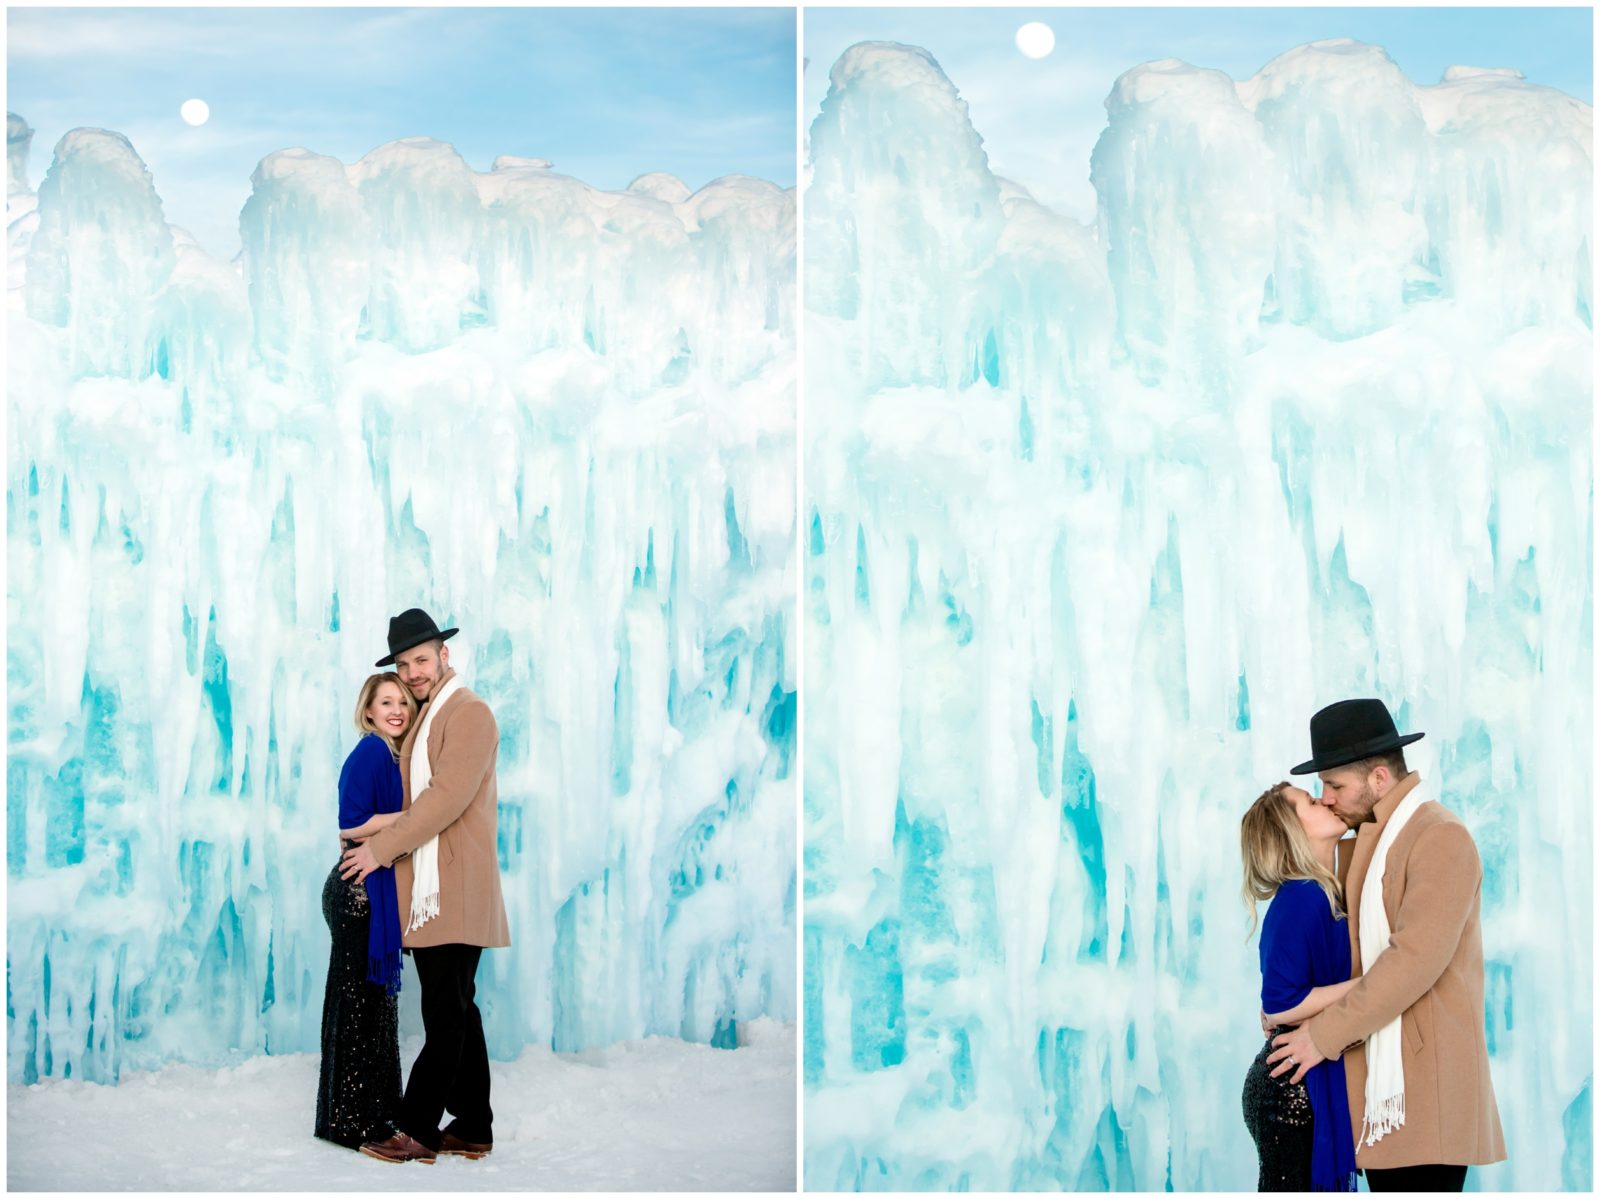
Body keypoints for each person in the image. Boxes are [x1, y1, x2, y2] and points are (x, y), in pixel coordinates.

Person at [1268, 699, 1506, 1192]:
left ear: (1378, 778)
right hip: (1384, 1098)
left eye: (1334, 785)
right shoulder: (1372, 845)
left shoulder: (1439, 836)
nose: (1327, 798)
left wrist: (1320, 1035)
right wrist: (1284, 1004)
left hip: (1424, 1093)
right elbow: (1343, 960)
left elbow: (1413, 962)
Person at [340, 608, 511, 1165]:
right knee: (460, 1008)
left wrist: (378, 849)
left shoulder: (469, 713)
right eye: (403, 663)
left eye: (420, 659)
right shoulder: (427, 716)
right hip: (435, 892)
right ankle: (473, 1125)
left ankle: (417, 1129)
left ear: (444, 655)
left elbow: (443, 799)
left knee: (446, 1013)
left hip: (455, 887)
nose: (412, 672)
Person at [1239, 782, 1359, 1192]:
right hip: (1289, 1091)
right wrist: (1369, 986)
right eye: (1310, 801)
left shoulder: (1324, 890)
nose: (1325, 798)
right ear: (1292, 831)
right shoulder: (1303, 897)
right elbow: (1279, 1004)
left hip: (1296, 1078)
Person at [314, 671, 415, 1149]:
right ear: (369, 710)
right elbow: (351, 825)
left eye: (403, 702)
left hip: (364, 886)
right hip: (357, 890)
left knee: (366, 1005)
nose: (397, 709)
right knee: (362, 1007)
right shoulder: (373, 750)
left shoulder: (392, 755)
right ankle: (359, 1123)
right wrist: (416, 816)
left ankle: (353, 1118)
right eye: (386, 701)